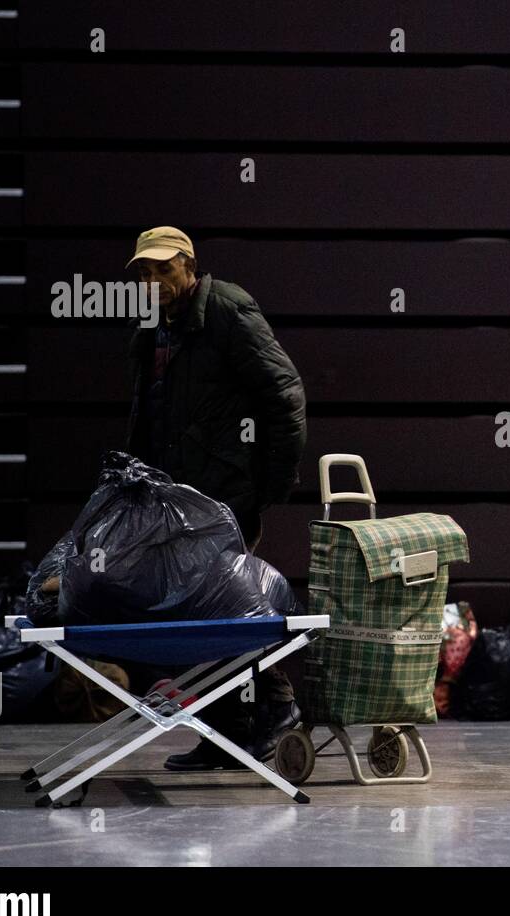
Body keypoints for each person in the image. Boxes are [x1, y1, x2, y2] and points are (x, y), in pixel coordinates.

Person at [123, 226, 307, 770]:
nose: (152, 280)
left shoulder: (226, 308)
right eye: (144, 271)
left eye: (163, 268)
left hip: (223, 498)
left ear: (189, 265)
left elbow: (285, 393)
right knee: (192, 613)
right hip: (173, 500)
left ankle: (278, 706)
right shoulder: (155, 327)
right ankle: (226, 730)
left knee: (228, 607)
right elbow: (150, 411)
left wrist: (270, 485)